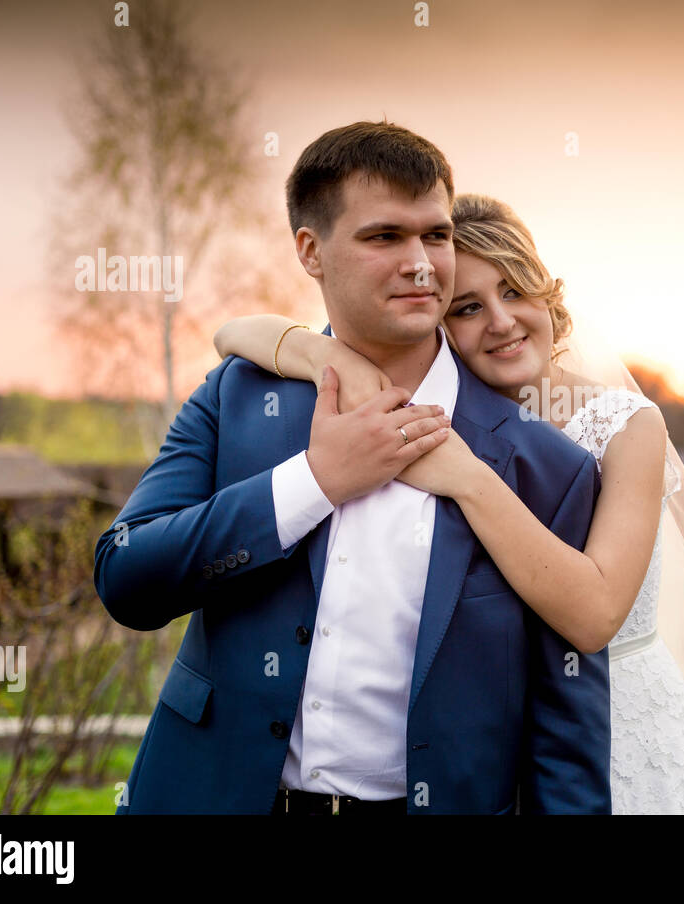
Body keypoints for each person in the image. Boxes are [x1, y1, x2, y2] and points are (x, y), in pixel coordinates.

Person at [215, 194, 684, 814]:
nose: (501, 322)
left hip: (625, 735)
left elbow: (593, 615)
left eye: (515, 291)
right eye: (469, 308)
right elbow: (233, 332)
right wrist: (323, 354)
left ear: (547, 296)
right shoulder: (447, 415)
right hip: (499, 740)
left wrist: (467, 480)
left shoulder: (624, 425)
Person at [94, 121, 612, 815]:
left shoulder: (549, 467)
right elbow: (128, 579)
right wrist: (315, 482)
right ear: (310, 250)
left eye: (436, 235)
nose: (422, 263)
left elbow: (566, 733)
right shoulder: (239, 397)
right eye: (384, 237)